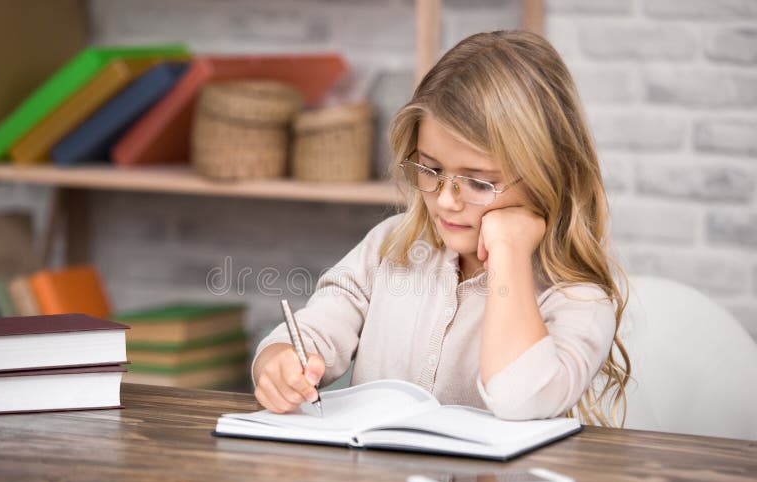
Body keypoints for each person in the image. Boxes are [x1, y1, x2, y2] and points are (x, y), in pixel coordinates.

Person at [251, 30, 631, 426]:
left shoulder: (578, 300)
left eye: (479, 182)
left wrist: (509, 253)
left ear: (547, 175)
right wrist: (278, 363)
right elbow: (311, 333)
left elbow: (523, 399)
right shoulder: (390, 246)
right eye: (431, 169)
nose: (447, 200)